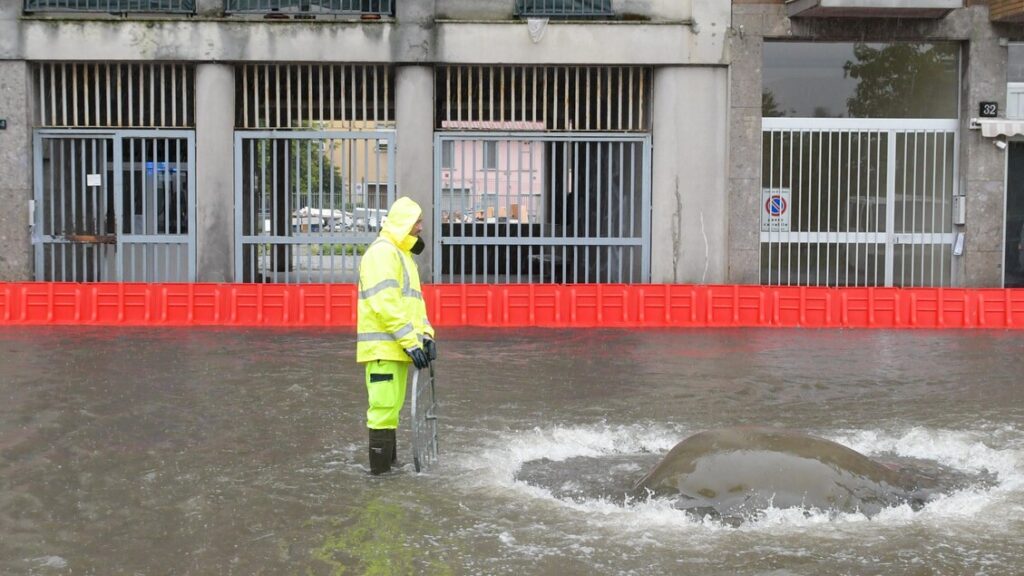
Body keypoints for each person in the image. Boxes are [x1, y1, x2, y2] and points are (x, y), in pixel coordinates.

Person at [356, 196, 436, 475]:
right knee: (382, 410)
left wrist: (426, 335)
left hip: (397, 349)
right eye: (418, 222)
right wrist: (411, 342)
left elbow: (415, 303)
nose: (421, 228)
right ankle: (379, 476)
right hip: (384, 349)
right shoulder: (382, 253)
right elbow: (385, 303)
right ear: (404, 223)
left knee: (390, 411)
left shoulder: (403, 256)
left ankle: (388, 468)